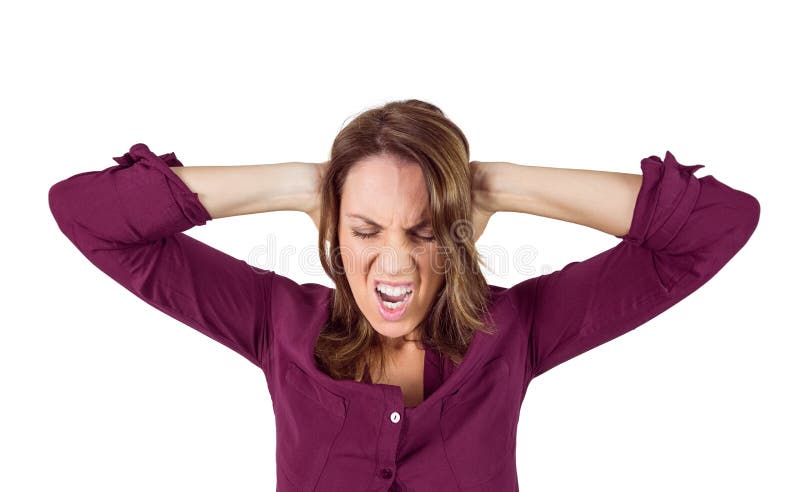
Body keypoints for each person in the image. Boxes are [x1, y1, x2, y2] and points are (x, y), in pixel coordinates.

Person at [48, 99, 760, 491]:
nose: (396, 264)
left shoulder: (512, 330)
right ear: (332, 228)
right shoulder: (276, 323)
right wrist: (299, 182)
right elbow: (88, 215)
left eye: (424, 231)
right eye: (364, 230)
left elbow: (717, 226)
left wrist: (495, 185)